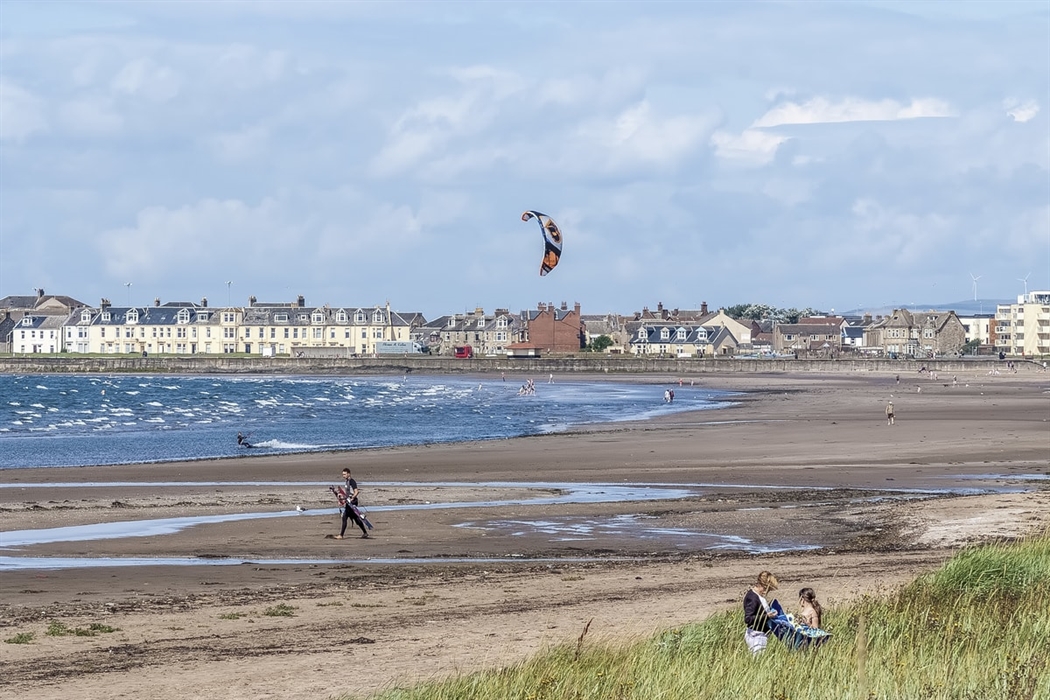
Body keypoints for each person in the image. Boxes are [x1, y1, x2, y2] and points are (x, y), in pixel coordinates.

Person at [743, 571, 780, 655]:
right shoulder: (752, 598)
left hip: (761, 635)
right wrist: (767, 616)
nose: (768, 591)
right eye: (768, 589)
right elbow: (748, 619)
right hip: (756, 636)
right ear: (764, 585)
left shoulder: (759, 596)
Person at [336, 468, 369, 539]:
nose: (343, 476)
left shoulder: (352, 481)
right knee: (356, 518)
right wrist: (342, 498)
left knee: (345, 517)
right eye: (342, 474)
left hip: (352, 502)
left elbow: (356, 492)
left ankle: (341, 535)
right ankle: (365, 533)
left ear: (349, 474)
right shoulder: (347, 482)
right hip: (348, 502)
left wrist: (352, 498)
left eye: (344, 474)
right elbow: (347, 493)